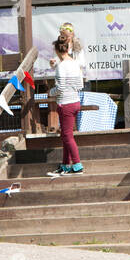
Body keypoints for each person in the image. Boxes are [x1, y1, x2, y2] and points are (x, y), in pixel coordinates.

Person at [50, 37, 85, 175]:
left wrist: (50, 92)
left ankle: (77, 165)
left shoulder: (61, 66)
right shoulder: (75, 64)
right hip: (75, 101)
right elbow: (80, 85)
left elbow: (60, 87)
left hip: (66, 103)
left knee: (67, 136)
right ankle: (65, 165)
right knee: (65, 135)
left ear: (57, 50)